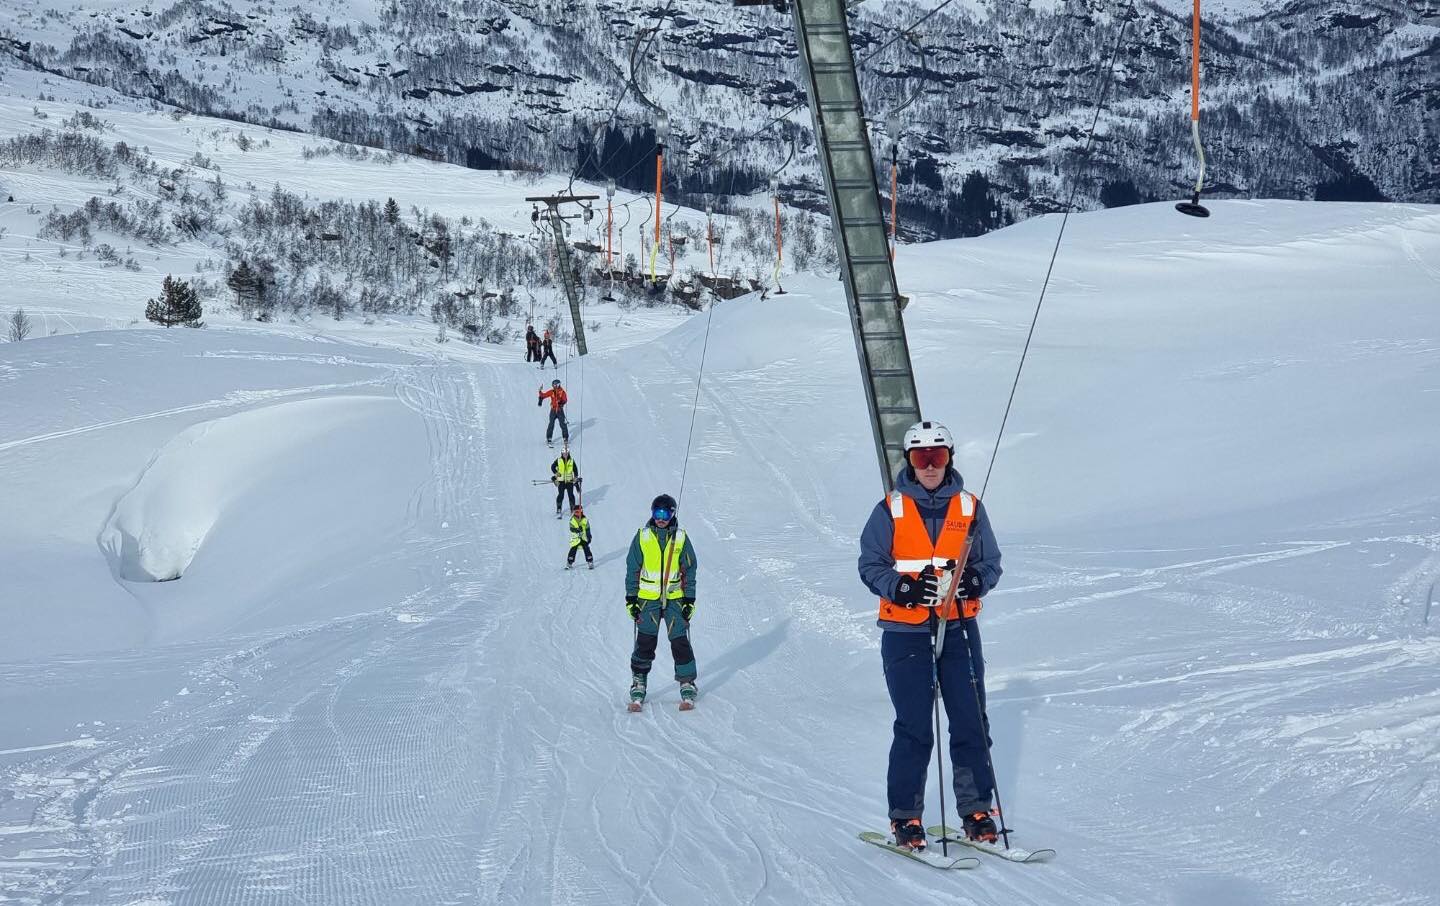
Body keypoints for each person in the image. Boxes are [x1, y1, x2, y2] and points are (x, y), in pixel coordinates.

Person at [857, 420, 1003, 851]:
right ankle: (906, 817)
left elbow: (990, 562)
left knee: (970, 719)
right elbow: (870, 564)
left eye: (937, 456)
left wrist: (974, 581)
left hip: (958, 627)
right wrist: (902, 588)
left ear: (949, 458)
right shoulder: (891, 509)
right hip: (906, 631)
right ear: (909, 462)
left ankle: (976, 811)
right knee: (915, 725)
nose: (930, 466)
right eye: (921, 458)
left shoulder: (969, 506)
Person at [624, 493, 698, 709]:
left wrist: (689, 600)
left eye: (665, 514)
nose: (661, 519)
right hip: (648, 600)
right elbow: (632, 569)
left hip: (675, 599)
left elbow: (689, 570)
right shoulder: (643, 536)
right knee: (646, 641)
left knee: (679, 642)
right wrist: (631, 599)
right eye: (657, 513)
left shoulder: (681, 538)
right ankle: (639, 681)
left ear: (672, 514)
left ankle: (687, 682)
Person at [550, 446, 581, 517]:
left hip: (569, 481)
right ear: (562, 453)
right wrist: (556, 473)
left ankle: (572, 508)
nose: (565, 455)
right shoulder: (558, 460)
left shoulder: (571, 460)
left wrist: (575, 477)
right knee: (561, 495)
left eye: (567, 453)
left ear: (569, 453)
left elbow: (575, 469)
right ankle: (559, 508)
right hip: (561, 481)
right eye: (564, 454)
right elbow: (552, 467)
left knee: (571, 495)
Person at [537, 379, 569, 445]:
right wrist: (540, 391)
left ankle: (565, 438)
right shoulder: (552, 391)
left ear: (558, 385)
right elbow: (544, 395)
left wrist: (561, 403)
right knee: (551, 424)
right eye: (553, 385)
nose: (554, 386)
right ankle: (549, 438)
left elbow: (565, 400)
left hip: (560, 411)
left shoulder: (562, 392)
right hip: (553, 411)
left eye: (555, 385)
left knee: (563, 424)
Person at [566, 503, 594, 570]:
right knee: (573, 549)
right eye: (575, 512)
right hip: (576, 539)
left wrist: (589, 536)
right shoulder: (572, 520)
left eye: (578, 512)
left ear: (581, 511)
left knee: (586, 548)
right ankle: (569, 562)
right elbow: (571, 528)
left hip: (583, 538)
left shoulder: (585, 519)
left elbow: (587, 529)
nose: (577, 513)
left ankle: (590, 561)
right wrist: (577, 529)